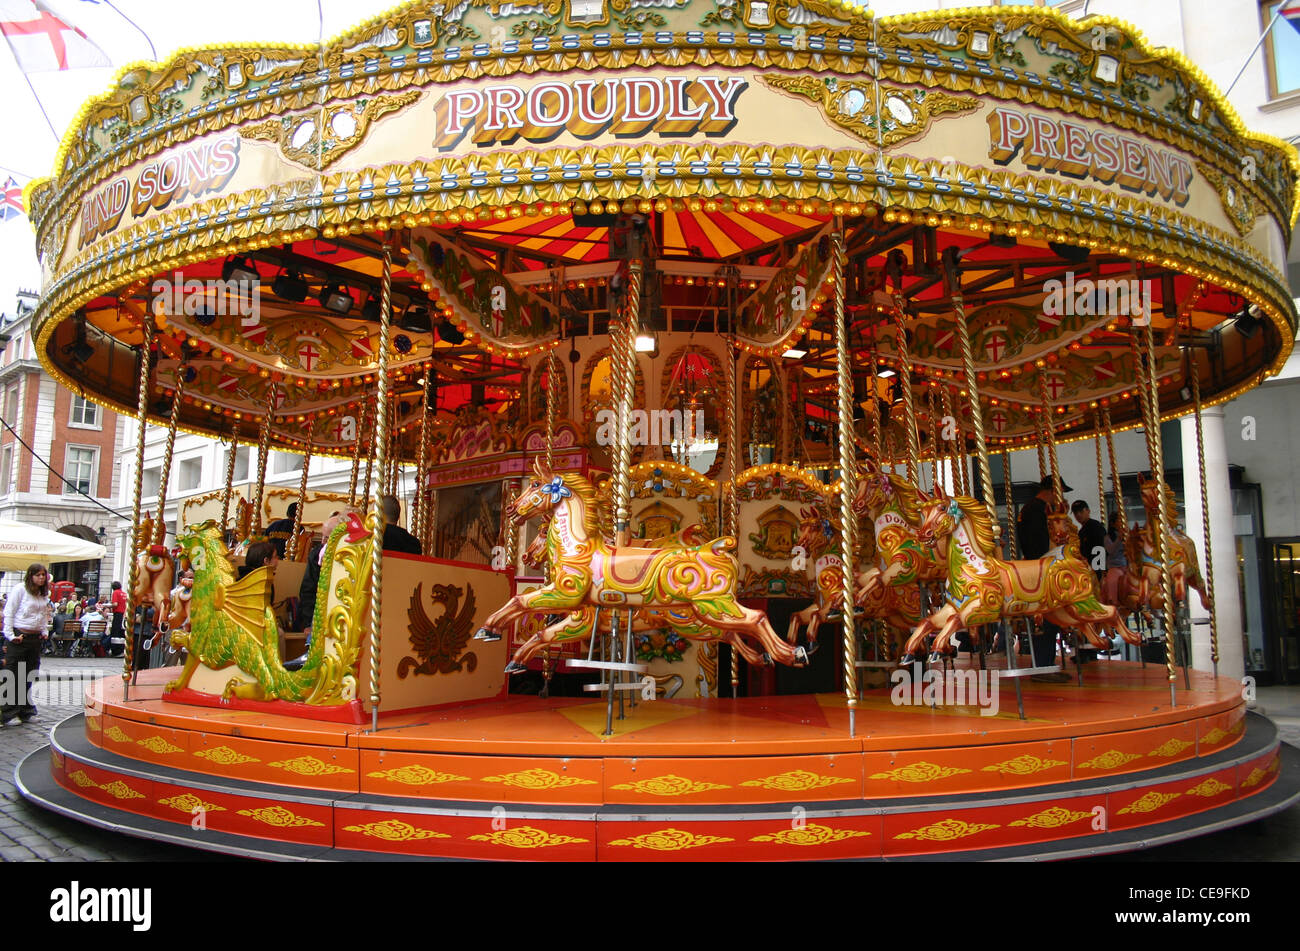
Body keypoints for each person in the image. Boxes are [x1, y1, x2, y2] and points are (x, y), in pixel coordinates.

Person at [1016, 474, 1073, 683]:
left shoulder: (1030, 508)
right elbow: (1040, 542)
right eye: (1059, 493)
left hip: (1037, 564)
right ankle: (1041, 667)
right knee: (1046, 618)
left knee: (1052, 617)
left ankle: (1046, 664)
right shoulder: (1037, 510)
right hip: (1040, 566)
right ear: (1051, 491)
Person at [2, 564, 54, 725]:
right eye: (37, 575)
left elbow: (44, 613)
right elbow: (9, 612)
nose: (41, 578)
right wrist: (10, 635)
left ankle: (26, 710)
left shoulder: (43, 594)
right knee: (13, 674)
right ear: (30, 576)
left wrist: (44, 630)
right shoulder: (20, 589)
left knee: (29, 674)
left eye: (43, 575)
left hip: (35, 638)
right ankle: (9, 712)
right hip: (20, 637)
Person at [1102, 511, 1129, 606]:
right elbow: (1110, 550)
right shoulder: (1108, 537)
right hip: (1115, 567)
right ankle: (1113, 600)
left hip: (1127, 566)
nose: (1123, 522)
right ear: (1113, 524)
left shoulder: (1128, 536)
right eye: (1120, 520)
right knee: (1112, 580)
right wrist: (1119, 539)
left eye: (1124, 520)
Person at [109, 580, 127, 644]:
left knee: (115, 631)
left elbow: (115, 604)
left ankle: (114, 646)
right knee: (121, 630)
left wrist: (109, 606)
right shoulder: (124, 593)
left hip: (118, 613)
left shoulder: (115, 592)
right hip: (124, 614)